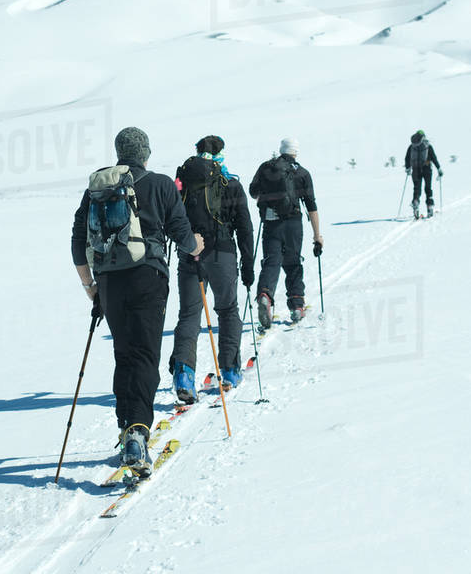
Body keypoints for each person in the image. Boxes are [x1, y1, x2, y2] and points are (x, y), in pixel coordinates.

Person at [71, 126, 203, 476]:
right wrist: (196, 247)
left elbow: (76, 242)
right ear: (145, 152)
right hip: (148, 276)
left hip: (109, 280)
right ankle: (138, 433)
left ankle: (125, 426)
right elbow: (181, 231)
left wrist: (92, 290)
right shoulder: (160, 184)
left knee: (124, 353)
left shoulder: (98, 189)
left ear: (119, 152)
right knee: (145, 354)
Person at [169, 135, 254, 402]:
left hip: (189, 253)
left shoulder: (182, 183)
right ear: (221, 154)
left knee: (189, 315)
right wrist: (248, 263)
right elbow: (245, 227)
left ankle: (183, 374)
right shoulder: (230, 183)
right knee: (227, 310)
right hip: (222, 253)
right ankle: (229, 370)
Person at [249, 137, 322, 328]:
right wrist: (317, 235)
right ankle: (297, 306)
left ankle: (265, 295)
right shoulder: (302, 173)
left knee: (271, 262)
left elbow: (253, 192)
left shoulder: (266, 168)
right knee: (293, 263)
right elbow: (311, 206)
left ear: (281, 150)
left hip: (271, 223)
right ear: (295, 152)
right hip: (294, 224)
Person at [405, 130, 442, 218]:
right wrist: (439, 168)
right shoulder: (428, 146)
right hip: (427, 168)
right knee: (428, 188)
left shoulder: (412, 146)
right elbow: (434, 158)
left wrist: (408, 168)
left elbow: (407, 158)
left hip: (415, 169)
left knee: (417, 189)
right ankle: (429, 207)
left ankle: (416, 203)